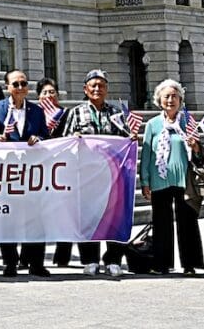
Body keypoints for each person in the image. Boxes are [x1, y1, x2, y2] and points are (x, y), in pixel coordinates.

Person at [58, 69, 124, 277]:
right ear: (85, 89)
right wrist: (75, 138)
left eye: (101, 86)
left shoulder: (115, 113)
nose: (97, 89)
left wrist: (130, 138)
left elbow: (123, 139)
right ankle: (90, 259)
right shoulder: (76, 113)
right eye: (93, 86)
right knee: (87, 216)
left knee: (113, 216)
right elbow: (66, 140)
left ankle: (113, 259)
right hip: (85, 175)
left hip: (111, 174)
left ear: (106, 89)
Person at [0, 70, 50, 277]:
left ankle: (36, 263)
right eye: (16, 84)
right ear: (7, 87)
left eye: (24, 83)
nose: (21, 87)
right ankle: (10, 263)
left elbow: (46, 137)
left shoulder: (37, 111)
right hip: (6, 173)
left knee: (36, 218)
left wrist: (38, 139)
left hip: (32, 173)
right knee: (8, 219)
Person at [139, 79, 204, 276]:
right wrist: (145, 181)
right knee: (161, 222)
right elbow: (147, 154)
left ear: (180, 100)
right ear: (159, 99)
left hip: (184, 180)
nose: (170, 100)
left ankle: (190, 264)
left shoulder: (187, 121)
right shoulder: (152, 124)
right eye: (166, 96)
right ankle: (161, 264)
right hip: (160, 179)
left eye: (174, 96)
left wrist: (195, 146)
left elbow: (200, 153)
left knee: (187, 221)